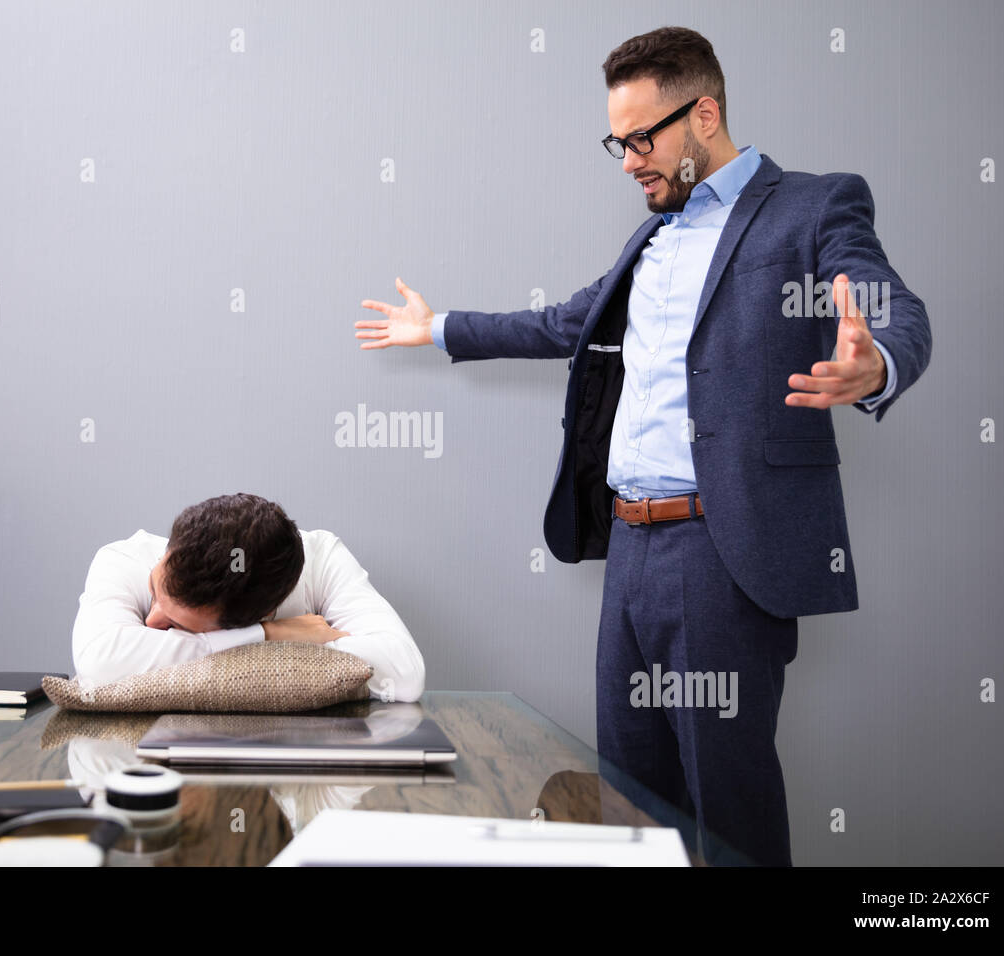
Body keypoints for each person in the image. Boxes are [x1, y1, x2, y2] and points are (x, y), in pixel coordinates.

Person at [353, 26, 931, 865]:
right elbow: (565, 322)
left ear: (704, 113)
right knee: (625, 795)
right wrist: (437, 328)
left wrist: (873, 361)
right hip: (630, 547)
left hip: (722, 549)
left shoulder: (813, 207)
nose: (627, 161)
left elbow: (893, 306)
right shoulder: (652, 236)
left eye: (640, 139)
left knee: (726, 801)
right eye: (615, 143)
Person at [71, 492, 426, 703]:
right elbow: (100, 665)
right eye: (154, 589)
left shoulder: (323, 560)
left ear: (265, 611)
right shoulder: (122, 558)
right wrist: (271, 636)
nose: (151, 621)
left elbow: (404, 674)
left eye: (178, 624)